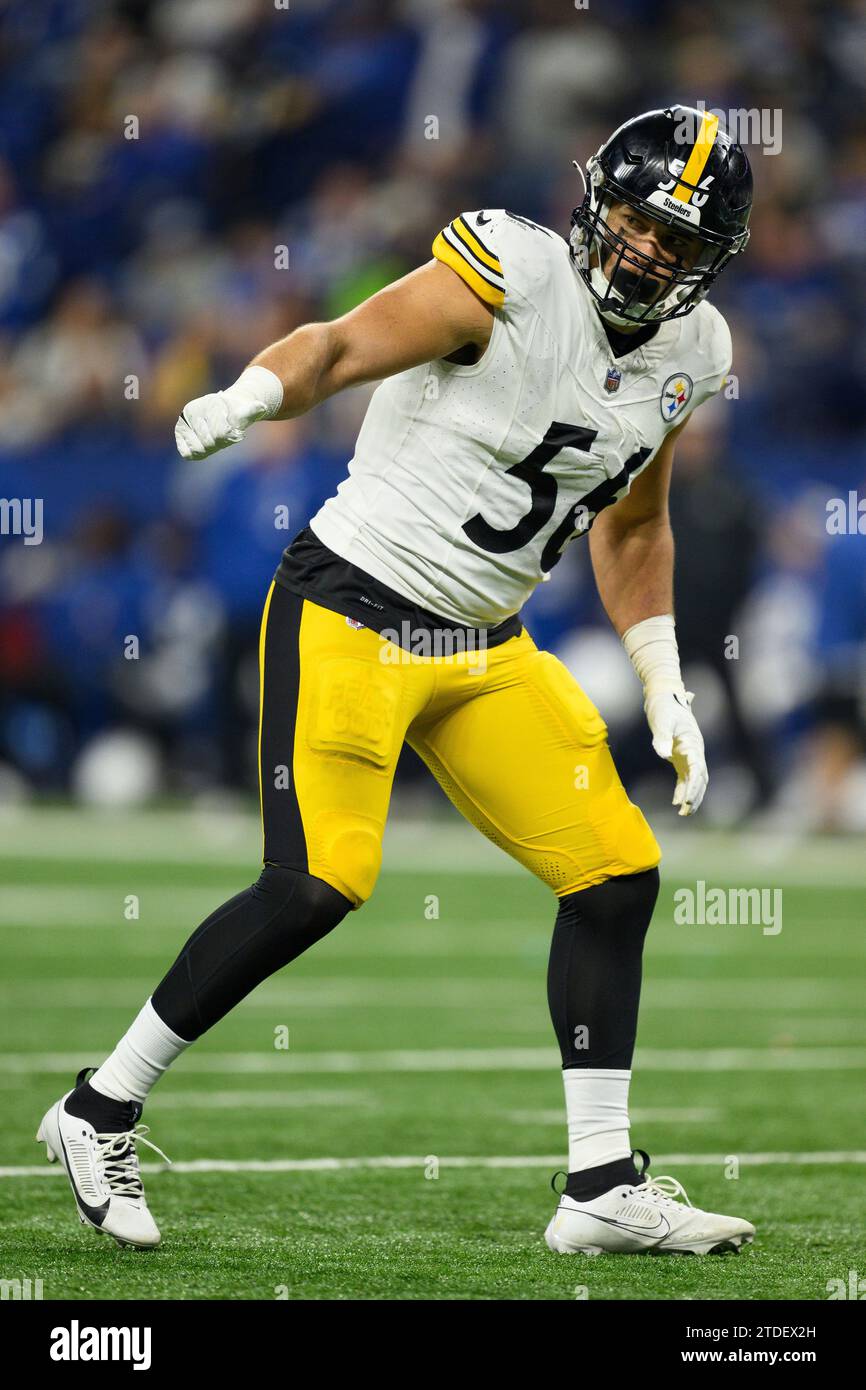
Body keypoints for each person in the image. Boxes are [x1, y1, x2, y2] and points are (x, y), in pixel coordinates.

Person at [38, 106, 756, 1256]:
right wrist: (251, 398)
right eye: (632, 223)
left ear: (708, 260)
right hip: (352, 603)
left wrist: (662, 676)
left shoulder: (694, 349)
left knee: (615, 873)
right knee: (317, 881)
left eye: (676, 244)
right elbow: (333, 344)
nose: (643, 256)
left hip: (482, 643)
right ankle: (97, 1105)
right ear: (593, 206)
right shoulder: (510, 269)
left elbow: (635, 524)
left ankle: (598, 1185)